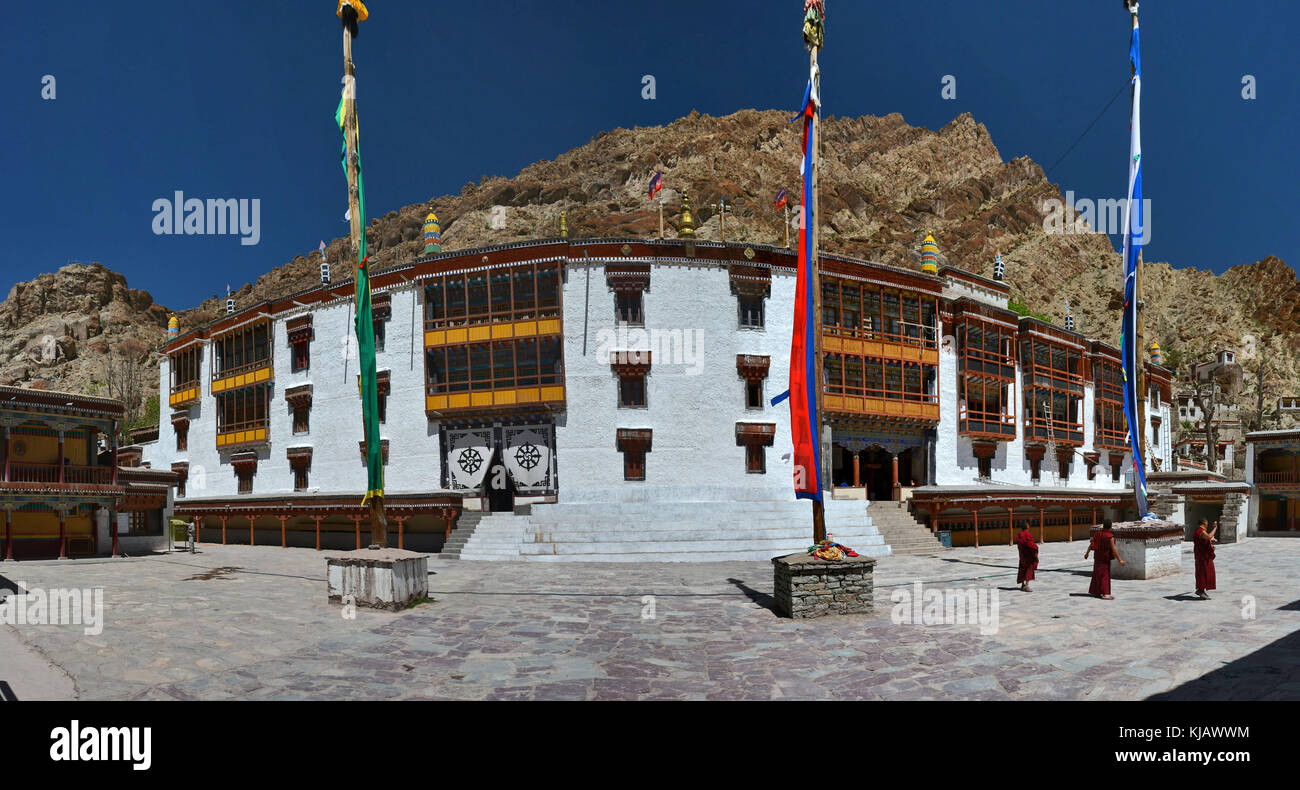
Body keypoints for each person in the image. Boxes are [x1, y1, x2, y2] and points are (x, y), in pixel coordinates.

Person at [1084, 519, 1126, 599]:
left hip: (1097, 558)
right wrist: (1120, 560)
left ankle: (1097, 592)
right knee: (1105, 576)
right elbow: (1114, 550)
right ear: (1110, 527)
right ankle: (1106, 594)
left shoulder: (1097, 534)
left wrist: (1087, 553)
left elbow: (1091, 544)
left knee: (1097, 574)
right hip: (1105, 559)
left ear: (1103, 526)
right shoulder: (1110, 537)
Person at [1193, 519, 1218, 599]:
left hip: (1204, 556)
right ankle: (1200, 590)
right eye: (1207, 523)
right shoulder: (1200, 531)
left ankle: (1201, 590)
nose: (1207, 525)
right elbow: (1208, 536)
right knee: (1203, 573)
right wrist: (1215, 528)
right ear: (1204, 523)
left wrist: (1211, 540)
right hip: (1203, 557)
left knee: (1206, 572)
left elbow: (1206, 539)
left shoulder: (1200, 531)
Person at [1015, 521, 1038, 592]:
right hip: (1028, 555)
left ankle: (1022, 584)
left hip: (1022, 555)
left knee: (1022, 569)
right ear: (1027, 527)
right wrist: (1036, 548)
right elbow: (1030, 544)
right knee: (1029, 569)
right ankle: (1027, 585)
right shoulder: (1027, 534)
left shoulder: (1019, 535)